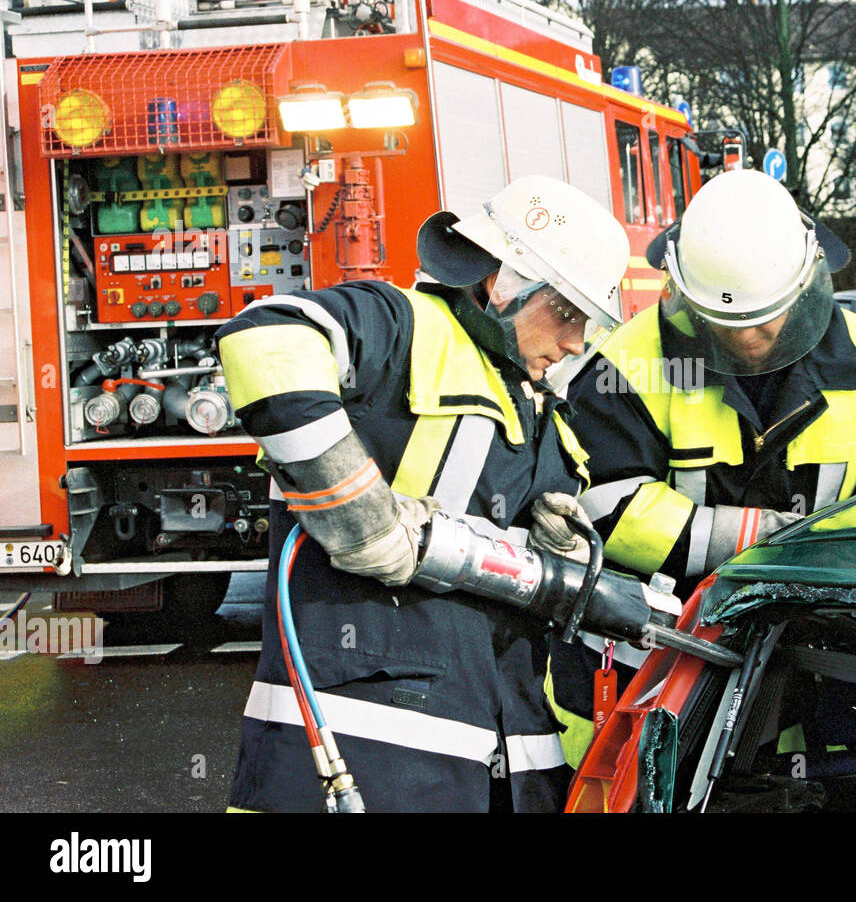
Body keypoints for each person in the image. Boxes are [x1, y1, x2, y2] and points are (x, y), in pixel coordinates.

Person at [547, 169, 856, 763]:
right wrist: (771, 540)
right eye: (728, 323)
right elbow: (603, 505)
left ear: (806, 282)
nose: (750, 338)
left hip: (808, 658)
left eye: (765, 319)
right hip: (651, 662)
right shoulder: (627, 364)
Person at [216, 175, 629, 812]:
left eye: (590, 324)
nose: (577, 342)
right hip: (364, 758)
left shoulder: (540, 409)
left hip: (504, 770)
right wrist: (362, 517)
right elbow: (266, 340)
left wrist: (551, 554)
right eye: (569, 313)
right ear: (504, 283)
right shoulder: (403, 326)